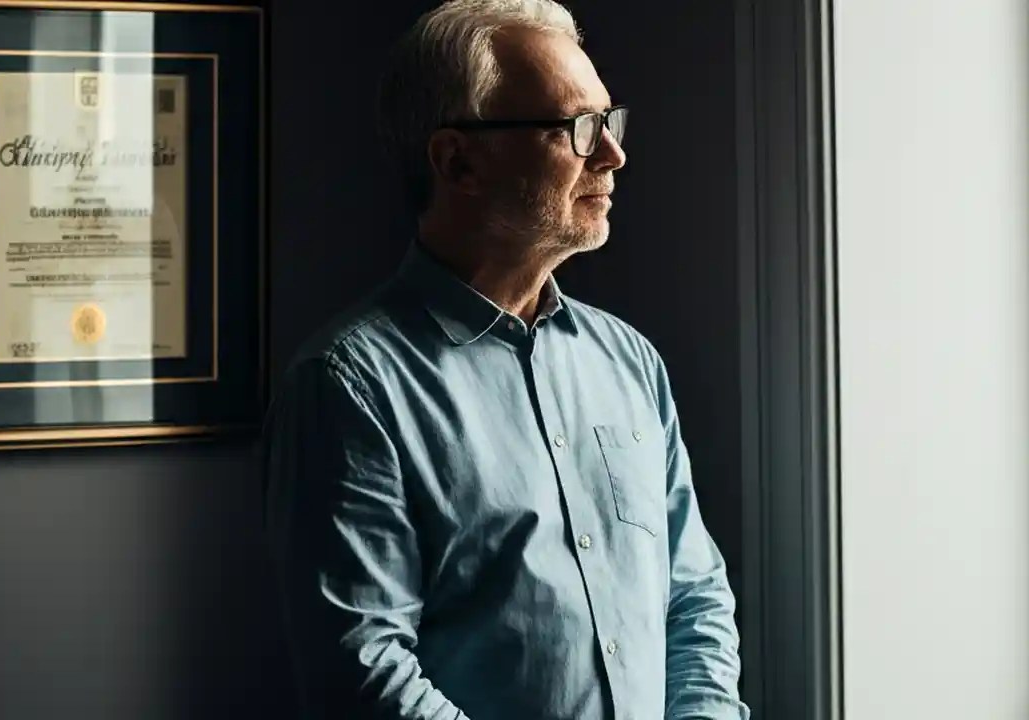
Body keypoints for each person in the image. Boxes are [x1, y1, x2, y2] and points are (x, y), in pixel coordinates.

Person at [262, 1, 750, 718]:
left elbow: (694, 595)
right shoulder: (349, 388)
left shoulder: (629, 363)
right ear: (458, 161)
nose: (612, 155)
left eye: (609, 122)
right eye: (576, 129)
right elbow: (363, 671)